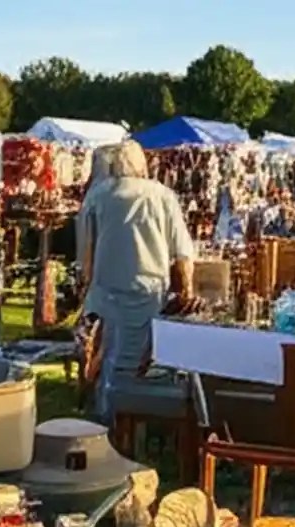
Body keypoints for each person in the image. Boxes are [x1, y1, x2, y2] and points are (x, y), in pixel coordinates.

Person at [75, 140, 194, 420]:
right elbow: (182, 253)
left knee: (108, 361)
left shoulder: (97, 196)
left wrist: (85, 289)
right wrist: (186, 291)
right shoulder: (163, 196)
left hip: (106, 293)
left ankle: (106, 418)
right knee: (144, 363)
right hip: (149, 293)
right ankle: (142, 418)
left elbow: (87, 254)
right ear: (142, 165)